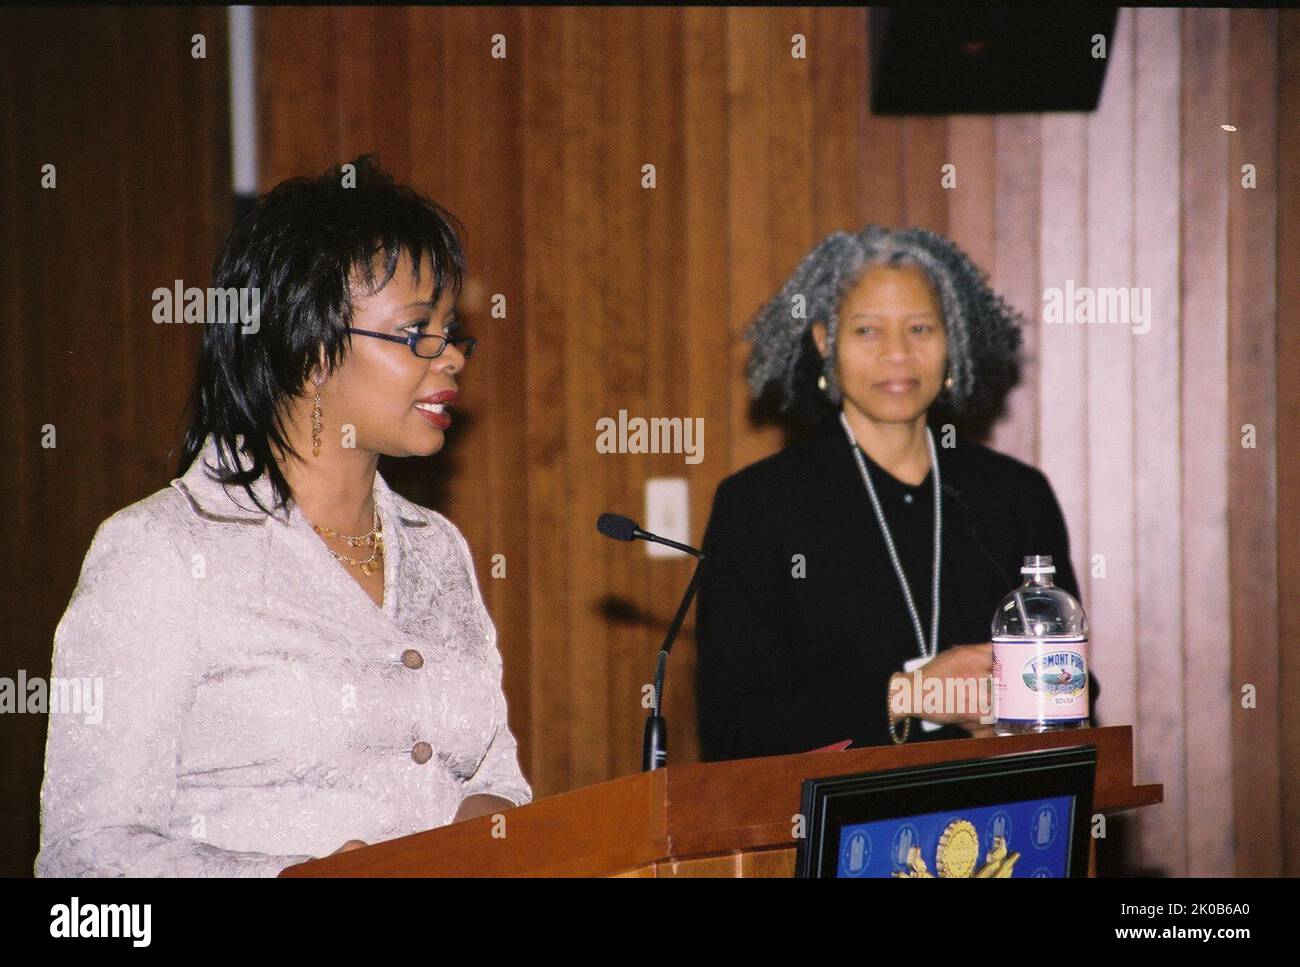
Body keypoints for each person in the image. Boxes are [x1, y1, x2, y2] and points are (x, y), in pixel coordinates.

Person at [35, 155, 531, 876]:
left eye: (453, 331)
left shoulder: (439, 549)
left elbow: (497, 780)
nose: (451, 356)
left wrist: (486, 830)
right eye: (418, 330)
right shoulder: (160, 552)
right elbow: (83, 860)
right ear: (311, 348)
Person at [695, 226, 1100, 762]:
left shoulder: (1016, 496)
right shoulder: (759, 507)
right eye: (867, 331)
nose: (897, 355)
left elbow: (1077, 689)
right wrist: (912, 694)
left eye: (919, 328)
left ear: (951, 338)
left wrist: (1015, 711)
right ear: (824, 341)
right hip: (829, 829)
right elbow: (736, 727)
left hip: (1005, 823)